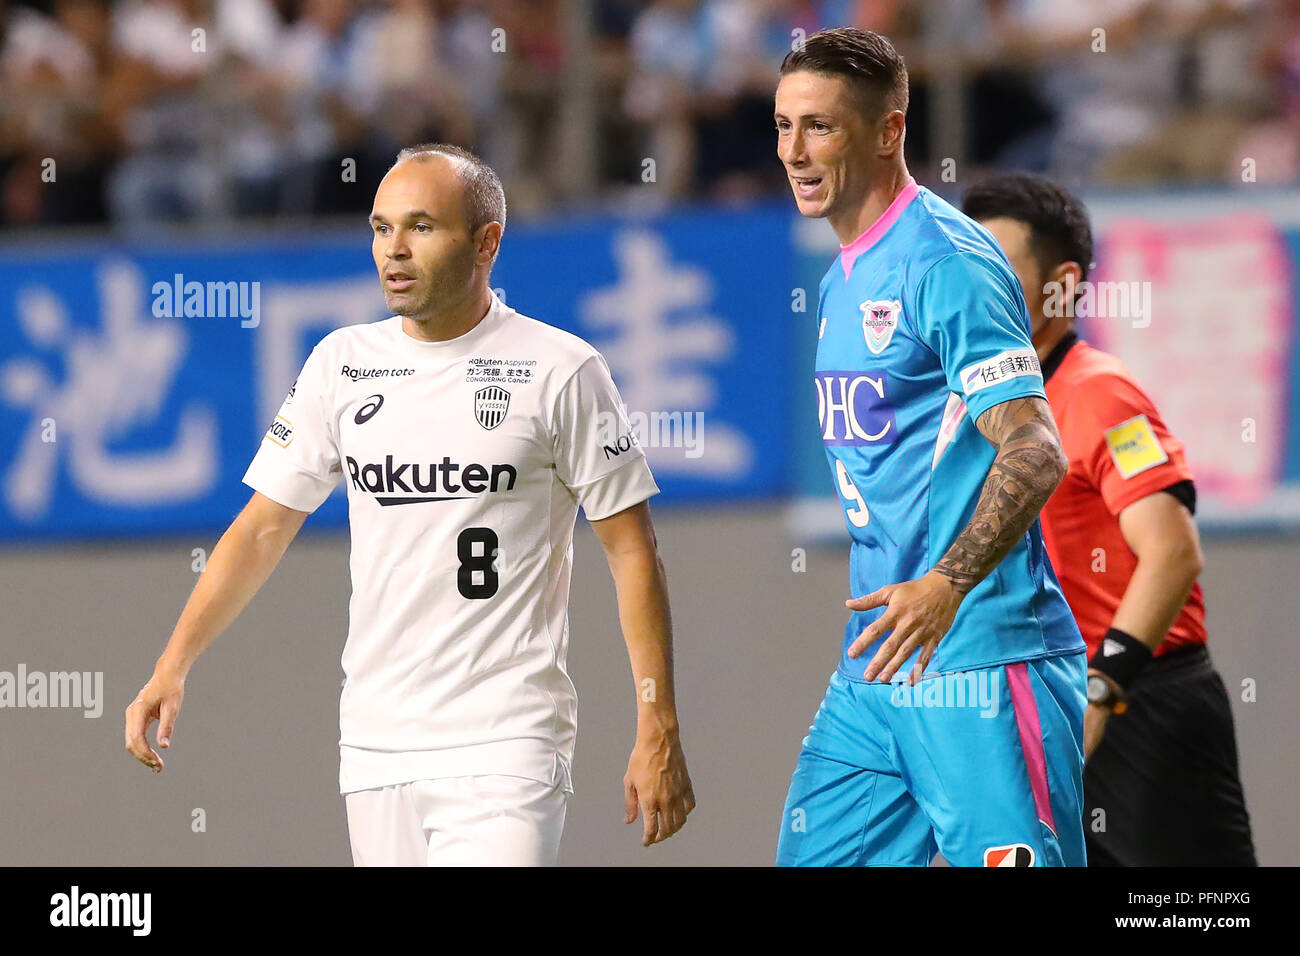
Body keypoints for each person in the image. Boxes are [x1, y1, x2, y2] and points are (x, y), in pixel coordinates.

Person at [125, 143, 695, 866]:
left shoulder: (561, 369)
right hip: (376, 744)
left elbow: (631, 550)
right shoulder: (342, 362)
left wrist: (658, 724)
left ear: (486, 242)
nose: (393, 250)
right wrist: (173, 664)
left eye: (421, 227)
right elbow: (262, 528)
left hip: (507, 739)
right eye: (380, 227)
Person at [772, 27, 1086, 867]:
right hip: (876, 672)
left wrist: (946, 584)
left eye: (820, 127)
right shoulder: (842, 276)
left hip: (982, 655)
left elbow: (1035, 448)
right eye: (782, 125)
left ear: (888, 132)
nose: (794, 152)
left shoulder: (946, 260)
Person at [963, 172, 1256, 866]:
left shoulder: (1102, 396)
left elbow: (1172, 553)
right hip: (1046, 710)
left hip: (1137, 705)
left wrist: (1101, 689)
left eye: (997, 268)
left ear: (1062, 283)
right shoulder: (983, 404)